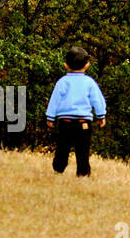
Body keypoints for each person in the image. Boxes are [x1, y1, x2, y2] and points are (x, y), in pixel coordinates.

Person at [45, 46, 106, 177]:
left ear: (66, 65)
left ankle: (58, 168)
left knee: (62, 147)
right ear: (87, 65)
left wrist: (50, 118)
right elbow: (97, 100)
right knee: (83, 149)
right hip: (83, 122)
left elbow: (54, 100)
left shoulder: (62, 82)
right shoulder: (90, 83)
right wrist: (101, 116)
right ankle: (83, 173)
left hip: (65, 122)